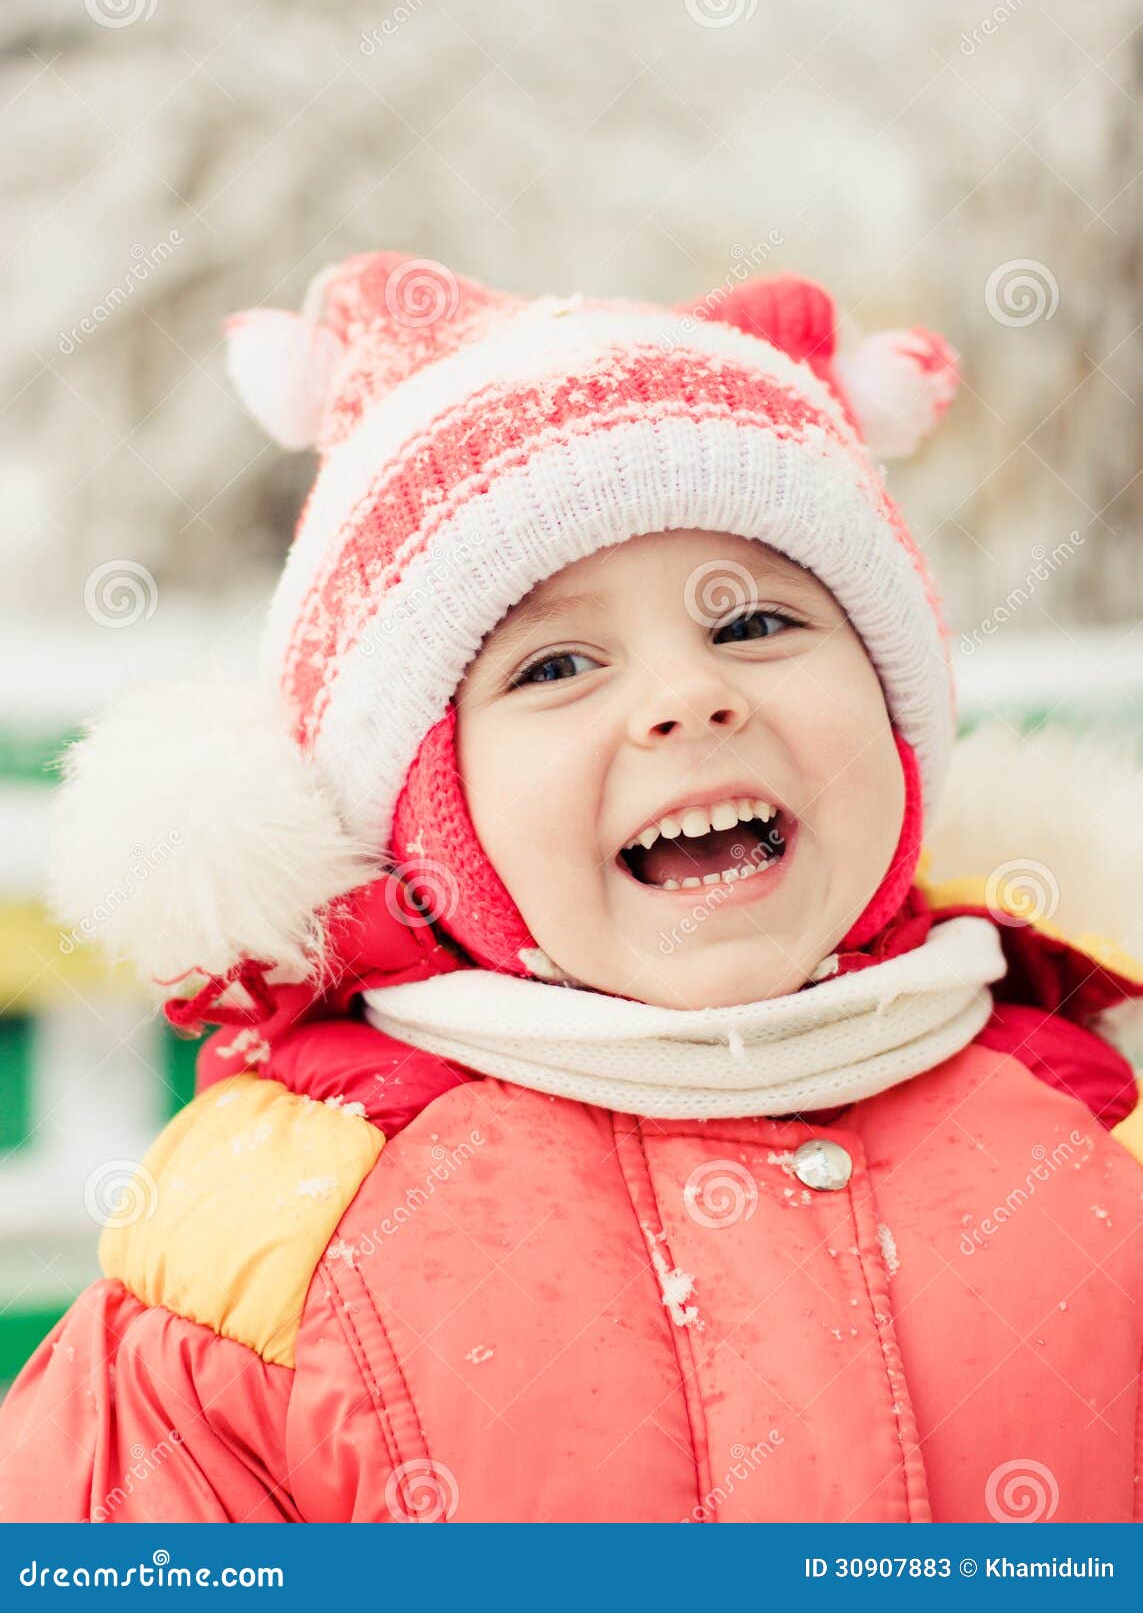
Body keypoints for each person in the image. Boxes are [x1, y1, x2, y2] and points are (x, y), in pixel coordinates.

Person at [2, 254, 1141, 1523]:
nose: (688, 696)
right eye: (555, 665)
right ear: (424, 810)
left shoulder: (1102, 1141)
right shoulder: (268, 1252)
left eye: (755, 625)